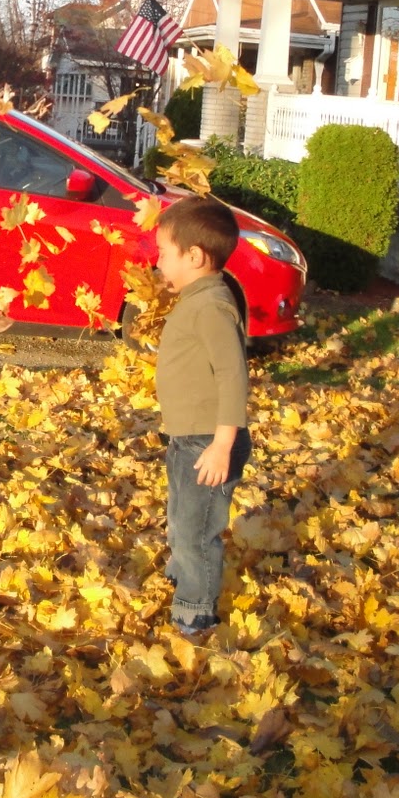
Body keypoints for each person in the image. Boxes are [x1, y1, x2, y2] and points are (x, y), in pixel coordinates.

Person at [152, 194, 252, 636]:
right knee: (181, 518)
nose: (158, 263)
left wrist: (222, 445)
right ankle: (181, 575)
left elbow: (233, 377)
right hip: (186, 437)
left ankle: (195, 612)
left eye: (163, 254)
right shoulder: (200, 295)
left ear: (194, 256)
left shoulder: (212, 305)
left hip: (209, 442)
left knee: (197, 532)